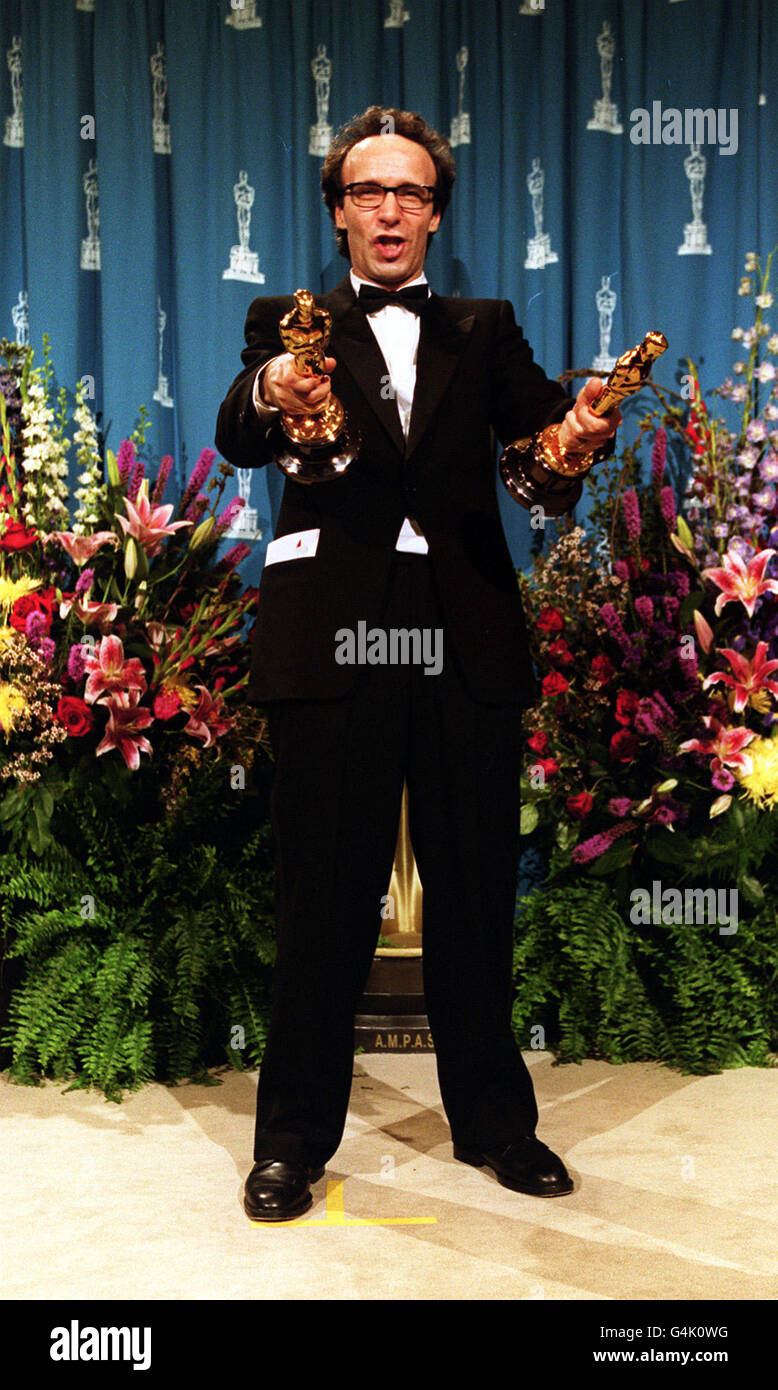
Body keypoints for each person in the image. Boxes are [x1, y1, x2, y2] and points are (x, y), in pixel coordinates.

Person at [215, 106, 620, 1222]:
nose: (387, 209)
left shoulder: (484, 329)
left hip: (460, 634)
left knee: (477, 894)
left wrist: (578, 431)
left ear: (435, 211)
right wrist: (272, 392)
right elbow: (241, 427)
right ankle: (292, 1142)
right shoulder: (285, 322)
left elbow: (544, 439)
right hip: (334, 636)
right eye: (365, 190)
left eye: (408, 191)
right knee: (322, 902)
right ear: (338, 210)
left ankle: (497, 1125)